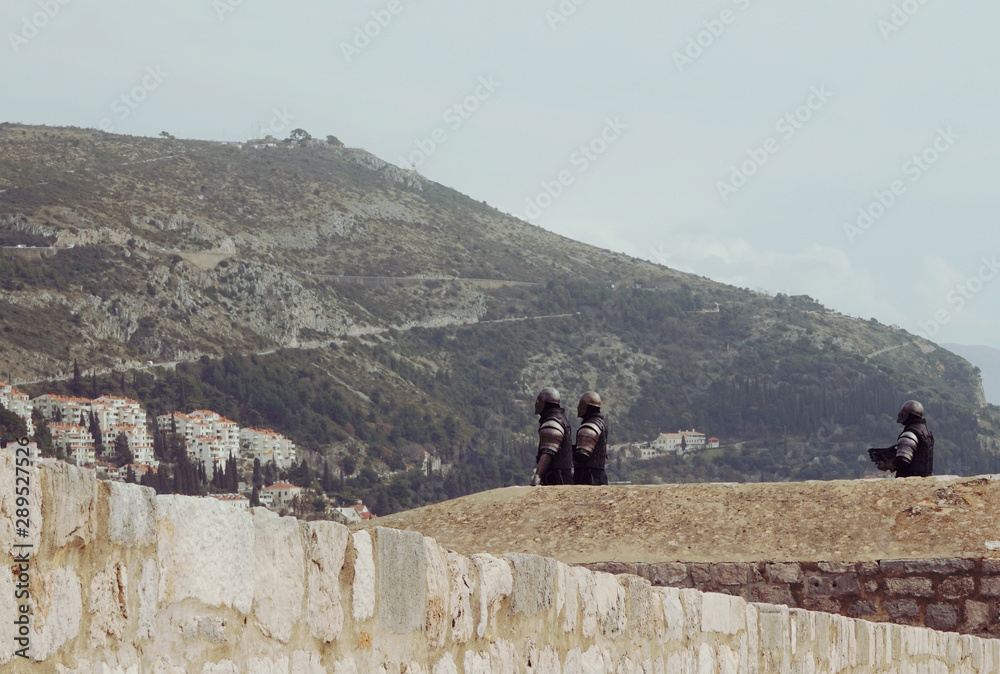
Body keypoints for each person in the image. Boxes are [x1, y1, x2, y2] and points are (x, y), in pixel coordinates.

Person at [876, 400, 934, 477]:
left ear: (909, 415)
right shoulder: (926, 432)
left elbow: (903, 460)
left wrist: (887, 464)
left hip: (911, 479)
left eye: (903, 412)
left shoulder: (910, 434)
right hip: (925, 478)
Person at [529, 387, 573, 486]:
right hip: (562, 475)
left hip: (556, 477)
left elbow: (547, 453)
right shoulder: (561, 418)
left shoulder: (552, 421)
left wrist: (537, 476)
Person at [573, 391, 609, 485]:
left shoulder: (591, 425)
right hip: (597, 475)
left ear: (585, 406)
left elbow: (582, 456)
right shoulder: (600, 422)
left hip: (589, 477)